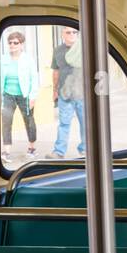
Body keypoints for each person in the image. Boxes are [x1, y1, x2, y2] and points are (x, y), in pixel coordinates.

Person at [1, 30, 38, 155]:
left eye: (15, 43)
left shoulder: (28, 59)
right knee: (6, 121)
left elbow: (34, 78)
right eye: (10, 42)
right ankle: (7, 150)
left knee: (29, 121)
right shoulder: (3, 58)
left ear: (22, 44)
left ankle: (32, 147)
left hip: (25, 95)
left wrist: (32, 96)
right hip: (7, 95)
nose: (12, 45)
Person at [51, 25, 85, 158]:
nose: (71, 34)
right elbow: (55, 71)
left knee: (86, 124)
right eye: (68, 32)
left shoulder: (85, 49)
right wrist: (54, 90)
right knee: (64, 124)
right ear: (62, 35)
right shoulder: (57, 51)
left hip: (83, 94)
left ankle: (85, 149)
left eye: (74, 32)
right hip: (64, 94)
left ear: (77, 35)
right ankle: (59, 152)